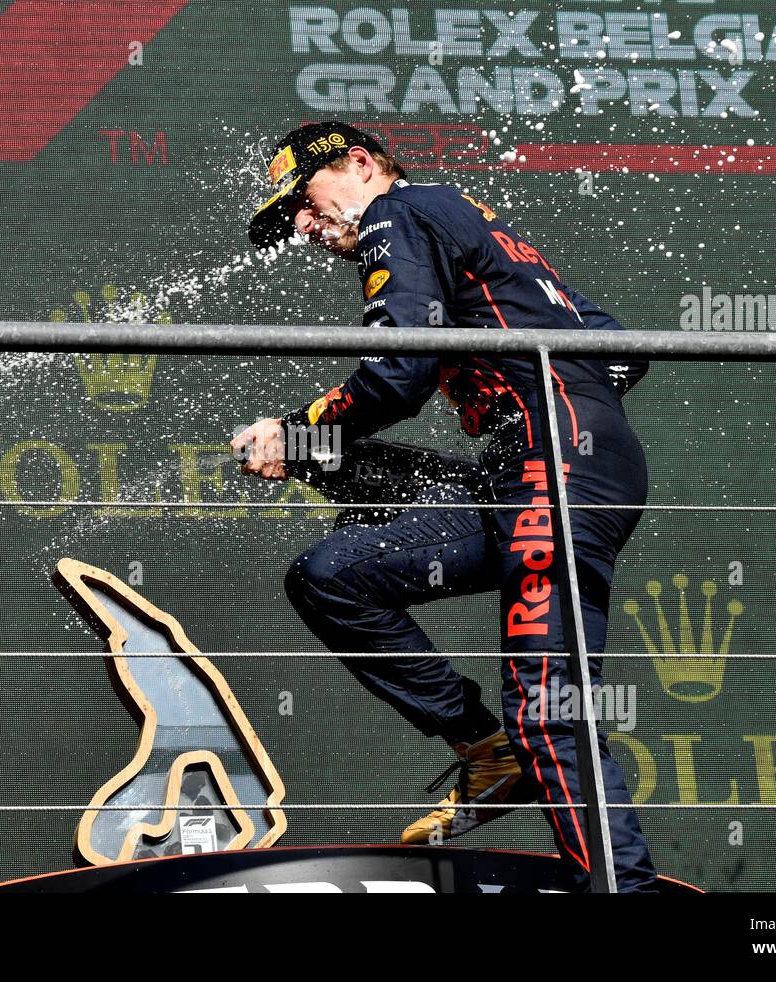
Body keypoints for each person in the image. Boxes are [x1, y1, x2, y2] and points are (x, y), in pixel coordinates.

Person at [232, 121, 657, 892]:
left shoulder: (396, 214)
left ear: (361, 165)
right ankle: (481, 752)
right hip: (534, 466)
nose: (300, 222)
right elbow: (620, 343)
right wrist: (564, 399)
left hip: (553, 469)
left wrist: (295, 432)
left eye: (302, 198)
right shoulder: (464, 217)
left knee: (549, 718)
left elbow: (400, 372)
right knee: (332, 575)